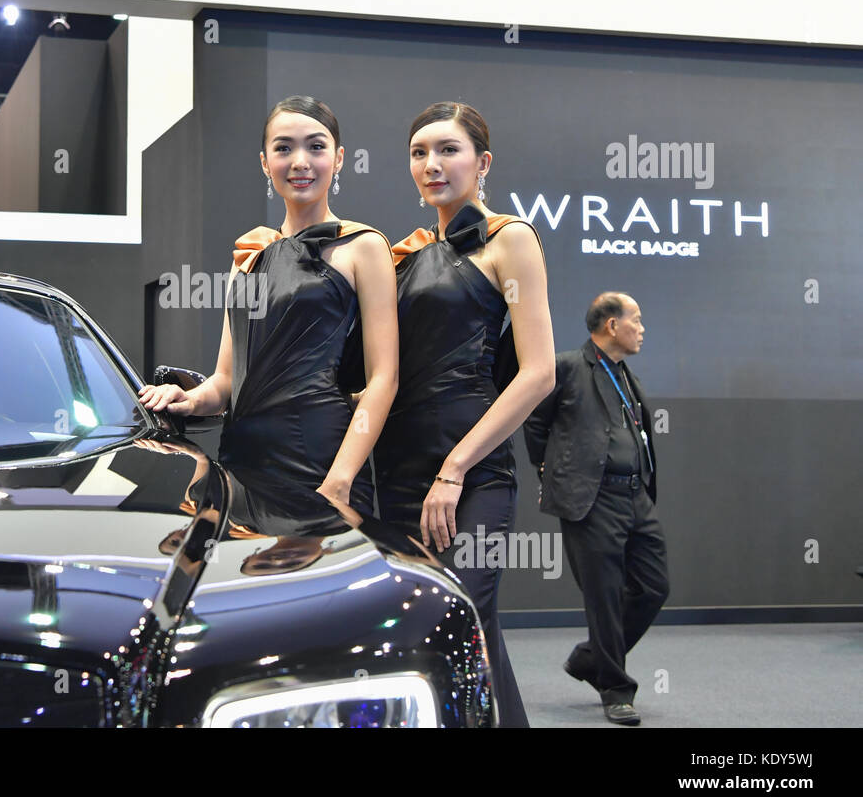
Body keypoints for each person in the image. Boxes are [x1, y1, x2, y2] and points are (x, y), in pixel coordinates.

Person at [373, 101, 555, 728]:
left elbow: (539, 373)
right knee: (465, 635)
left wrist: (454, 469)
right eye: (420, 153)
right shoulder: (404, 255)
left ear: (483, 162)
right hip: (396, 475)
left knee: (459, 622)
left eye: (448, 150)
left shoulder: (512, 238)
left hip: (472, 474)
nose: (432, 164)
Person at [139, 95, 398, 515]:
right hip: (240, 464)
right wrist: (189, 399)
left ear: (339, 158)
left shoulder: (363, 246)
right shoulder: (249, 254)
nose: (300, 161)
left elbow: (384, 378)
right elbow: (226, 381)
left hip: (320, 464)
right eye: (283, 148)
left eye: (316, 146)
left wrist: (340, 479)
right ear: (265, 162)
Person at [523, 292, 668, 726]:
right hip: (591, 497)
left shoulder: (626, 376)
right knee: (603, 597)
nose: (642, 328)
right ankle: (615, 688)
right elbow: (534, 419)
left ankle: (590, 659)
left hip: (634, 496)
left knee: (653, 587)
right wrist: (549, 469)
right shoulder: (568, 366)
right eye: (636, 320)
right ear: (611, 325)